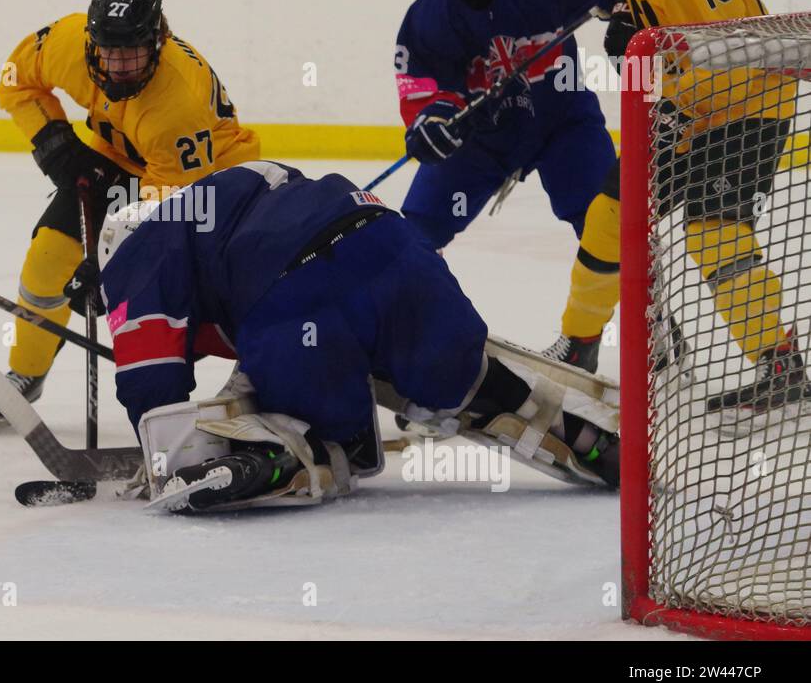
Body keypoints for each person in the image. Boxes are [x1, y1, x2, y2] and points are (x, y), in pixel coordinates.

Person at [90, 162, 620, 513]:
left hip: (301, 299)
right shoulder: (235, 186)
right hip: (395, 244)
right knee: (461, 380)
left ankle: (277, 456)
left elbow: (149, 377)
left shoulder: (139, 252)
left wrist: (159, 452)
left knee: (326, 435)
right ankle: (590, 438)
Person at [546, 0, 797, 415]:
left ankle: (780, 368)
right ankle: (580, 344)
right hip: (685, 106)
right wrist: (625, 16)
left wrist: (649, 55)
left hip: (750, 102)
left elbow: (738, 57)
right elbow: (637, 0)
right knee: (609, 216)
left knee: (714, 235)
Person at [0, 0, 261, 432]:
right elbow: (14, 78)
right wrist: (51, 137)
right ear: (90, 41)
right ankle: (28, 369)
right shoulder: (67, 42)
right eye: (109, 51)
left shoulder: (176, 103)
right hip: (120, 159)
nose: (119, 65)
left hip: (207, 185)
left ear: (158, 42)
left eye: (133, 52)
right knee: (47, 259)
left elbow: (168, 214)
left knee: (188, 292)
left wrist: (109, 268)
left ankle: (258, 372)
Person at [395, 0, 617, 256]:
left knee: (607, 222)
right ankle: (408, 313)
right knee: (415, 234)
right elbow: (422, 86)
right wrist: (431, 122)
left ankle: (650, 311)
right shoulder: (430, 17)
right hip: (479, 135)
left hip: (563, 124)